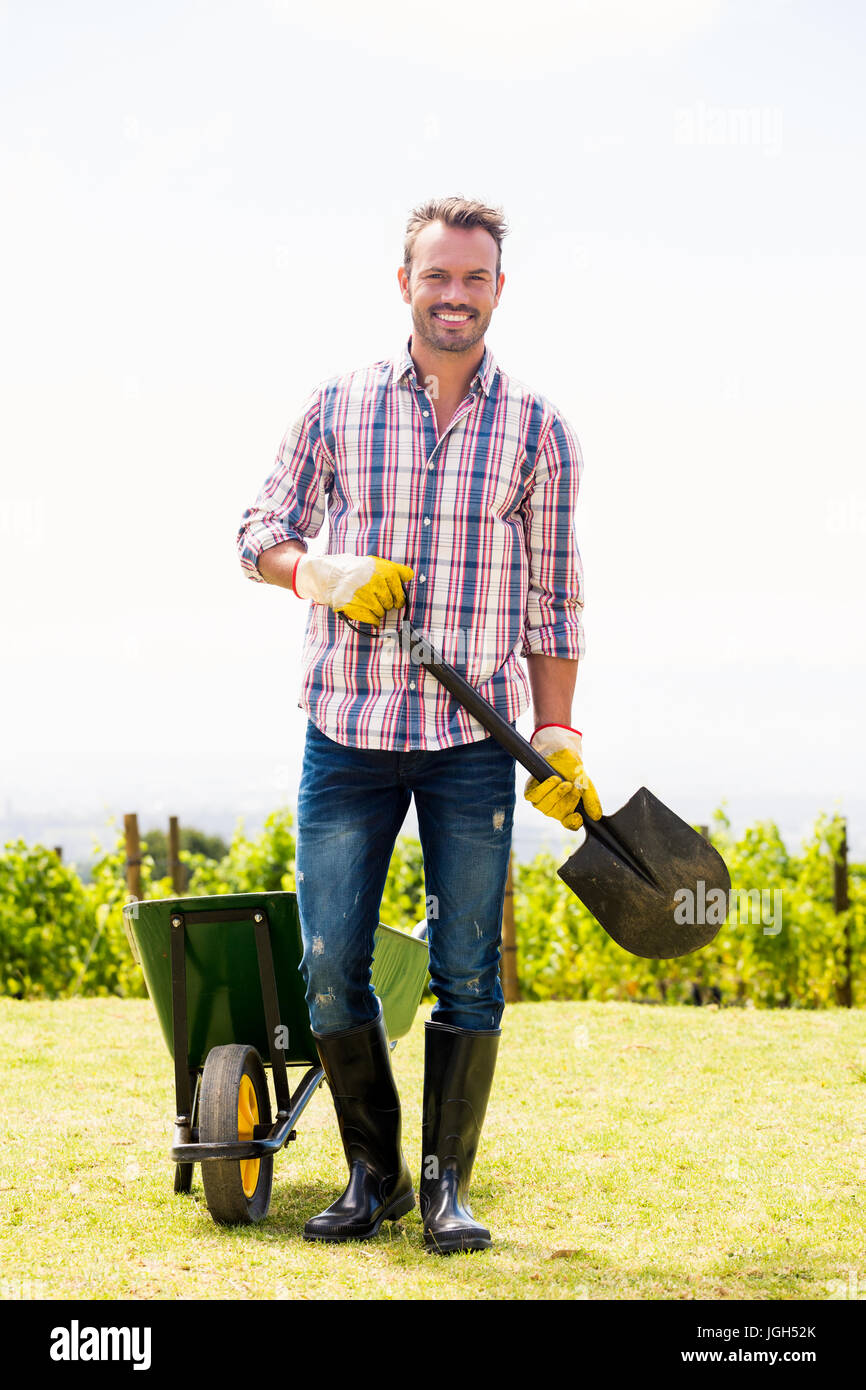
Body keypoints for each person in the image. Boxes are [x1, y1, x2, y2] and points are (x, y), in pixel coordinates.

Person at [236, 196, 602, 1254]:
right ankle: (370, 1177)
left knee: (469, 969)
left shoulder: (538, 429)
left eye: (473, 278)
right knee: (328, 964)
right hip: (346, 730)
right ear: (404, 284)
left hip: (469, 747)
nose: (454, 295)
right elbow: (254, 528)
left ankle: (445, 1189)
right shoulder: (336, 405)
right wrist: (317, 570)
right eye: (435, 277)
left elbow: (556, 597)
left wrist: (561, 726)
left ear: (498, 288)